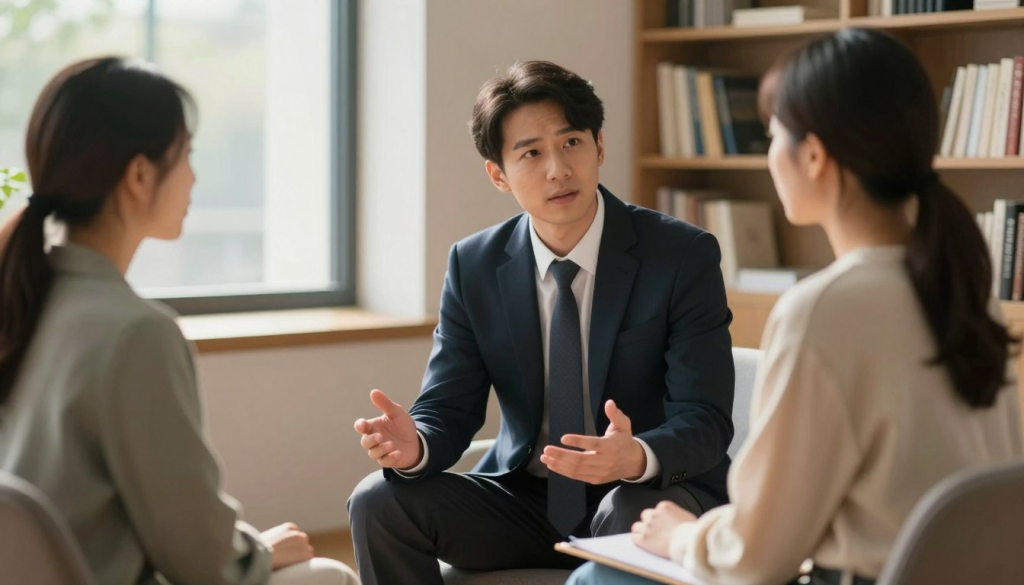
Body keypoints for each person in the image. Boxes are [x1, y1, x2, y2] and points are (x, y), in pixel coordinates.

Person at [568, 28, 1024, 585]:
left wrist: (681, 535)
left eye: (772, 134)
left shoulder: (824, 309)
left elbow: (758, 557)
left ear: (812, 155)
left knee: (599, 580)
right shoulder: (969, 290)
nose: (769, 155)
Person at [347, 60, 735, 584]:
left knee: (627, 511)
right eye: (531, 152)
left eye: (571, 143)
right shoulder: (474, 264)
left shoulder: (682, 255)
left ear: (599, 146)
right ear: (498, 174)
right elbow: (449, 406)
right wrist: (415, 446)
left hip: (646, 494)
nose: (557, 169)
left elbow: (705, 420)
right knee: (378, 499)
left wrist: (634, 456)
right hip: (527, 500)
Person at [0, 57, 359, 585]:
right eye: (186, 154)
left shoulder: (22, 299)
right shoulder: (136, 333)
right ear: (140, 175)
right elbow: (201, 562)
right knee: (328, 573)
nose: (193, 176)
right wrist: (259, 551)